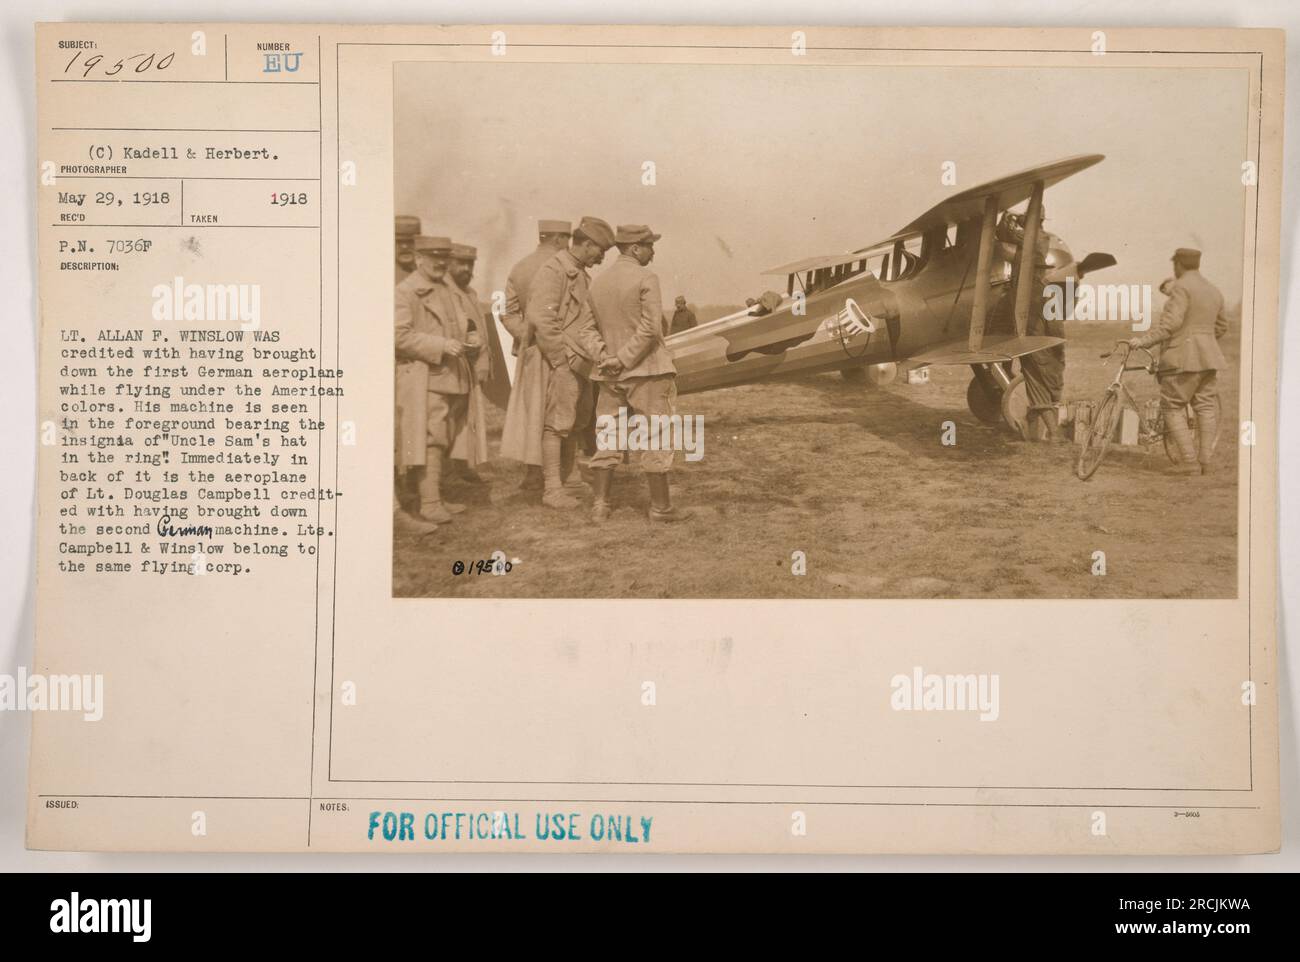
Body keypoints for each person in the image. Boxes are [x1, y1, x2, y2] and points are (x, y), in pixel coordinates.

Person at [583, 225, 692, 523]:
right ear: (634, 248)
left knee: (607, 437)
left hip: (609, 376)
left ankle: (600, 505)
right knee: (657, 436)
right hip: (647, 372)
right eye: (648, 245)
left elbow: (586, 329)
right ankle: (660, 508)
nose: (652, 251)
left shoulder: (598, 282)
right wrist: (623, 359)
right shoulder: (646, 278)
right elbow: (651, 328)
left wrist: (606, 358)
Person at [394, 235, 489, 523]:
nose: (439, 264)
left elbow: (462, 322)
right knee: (431, 438)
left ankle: (435, 495)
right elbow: (398, 335)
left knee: (446, 435)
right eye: (433, 258)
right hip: (423, 375)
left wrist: (469, 337)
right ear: (418, 259)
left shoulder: (447, 287)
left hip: (451, 374)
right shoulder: (406, 291)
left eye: (443, 259)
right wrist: (439, 345)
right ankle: (430, 502)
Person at [526, 216, 615, 509]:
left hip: (579, 361)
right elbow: (541, 318)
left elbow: (583, 322)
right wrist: (560, 360)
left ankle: (570, 479)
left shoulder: (578, 273)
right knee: (557, 424)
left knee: (577, 420)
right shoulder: (554, 270)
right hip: (560, 361)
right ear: (586, 243)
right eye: (599, 250)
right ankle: (552, 489)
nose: (601, 257)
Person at [1128, 248, 1230, 475]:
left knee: (1172, 407)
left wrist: (1143, 342)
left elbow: (1170, 325)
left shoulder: (1181, 288)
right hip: (1209, 359)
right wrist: (1204, 342)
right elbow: (1222, 326)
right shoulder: (1213, 290)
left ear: (1179, 265)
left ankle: (1189, 463)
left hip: (1182, 360)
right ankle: (1206, 461)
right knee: (1205, 407)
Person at [499, 219, 572, 491]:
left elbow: (507, 313)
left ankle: (532, 475)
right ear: (558, 239)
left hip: (530, 351)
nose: (569, 245)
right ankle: (562, 476)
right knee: (560, 413)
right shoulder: (564, 266)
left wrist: (527, 334)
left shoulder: (519, 267)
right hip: (561, 349)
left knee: (533, 413)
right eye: (567, 239)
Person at [392, 215, 438, 535]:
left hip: (407, 367)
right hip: (387, 363)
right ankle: (395, 508)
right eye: (399, 242)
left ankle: (404, 496)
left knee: (403, 434)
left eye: (411, 242)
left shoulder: (416, 277)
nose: (406, 248)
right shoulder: (387, 277)